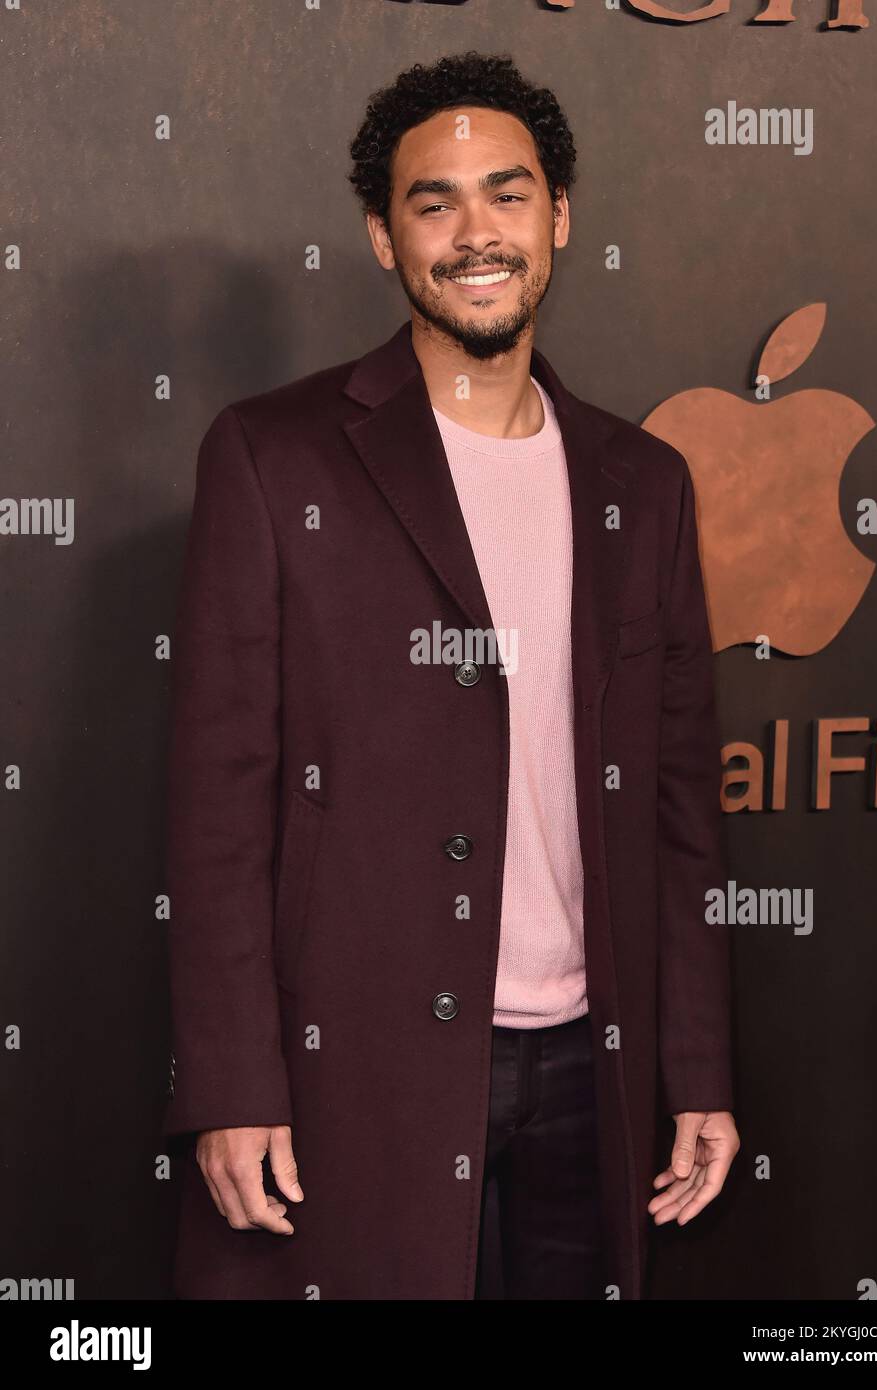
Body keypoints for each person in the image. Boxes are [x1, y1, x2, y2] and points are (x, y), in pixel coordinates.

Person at [163, 49, 739, 1301]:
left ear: (560, 217)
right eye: (435, 202)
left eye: (509, 193)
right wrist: (233, 1083)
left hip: (598, 1073)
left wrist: (696, 1067)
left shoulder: (642, 484)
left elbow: (681, 810)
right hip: (359, 1068)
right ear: (382, 236)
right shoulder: (275, 458)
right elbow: (219, 807)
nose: (477, 232)